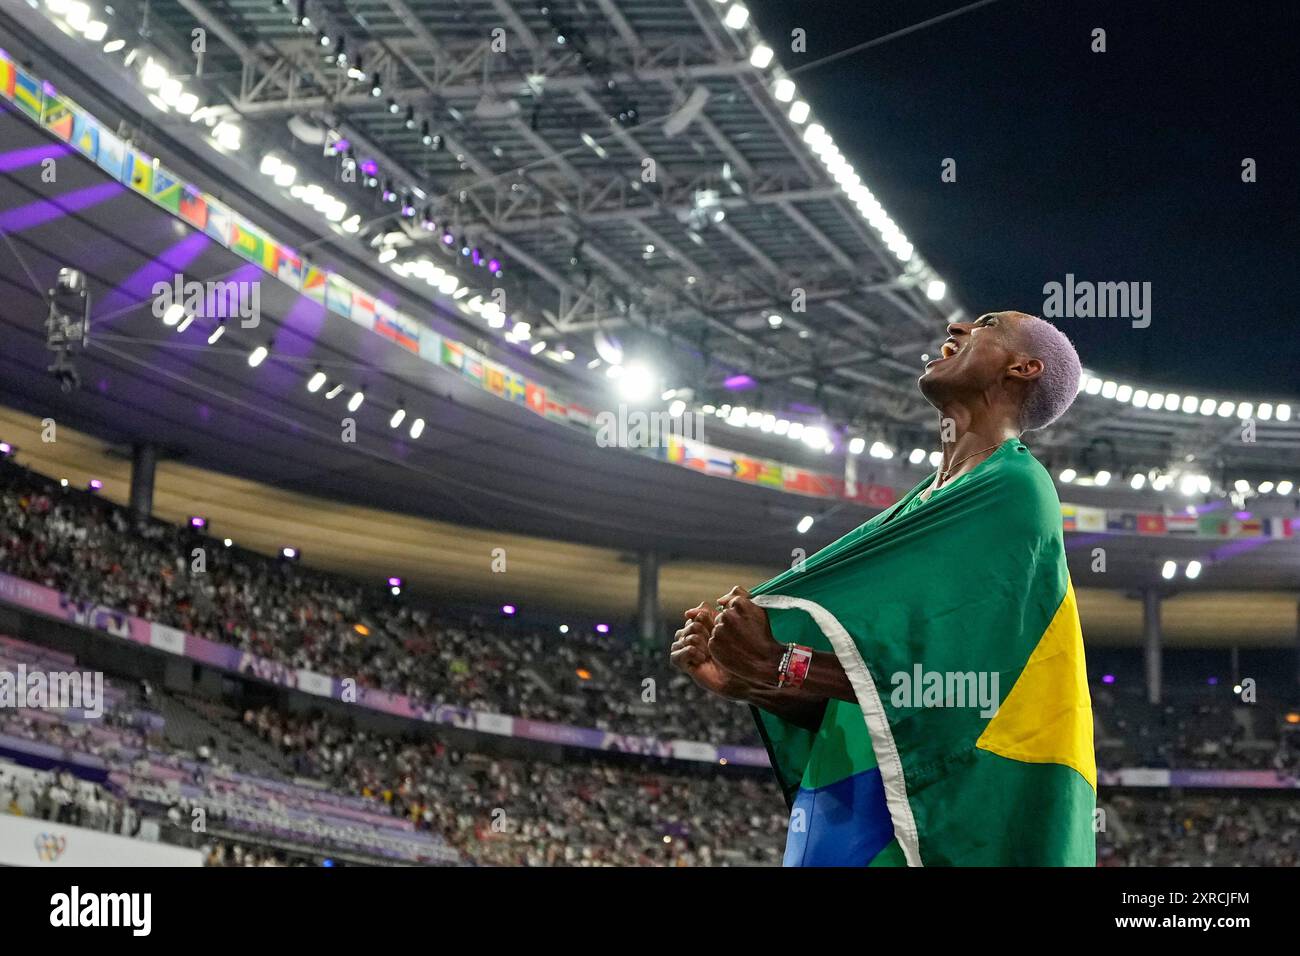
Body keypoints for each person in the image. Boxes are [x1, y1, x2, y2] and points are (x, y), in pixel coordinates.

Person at [671, 311, 1095, 866]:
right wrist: (754, 681)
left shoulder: (1015, 488)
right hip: (870, 812)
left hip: (945, 824)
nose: (958, 324)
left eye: (986, 325)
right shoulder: (922, 503)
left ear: (1023, 367)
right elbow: (875, 707)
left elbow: (960, 692)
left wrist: (781, 662)